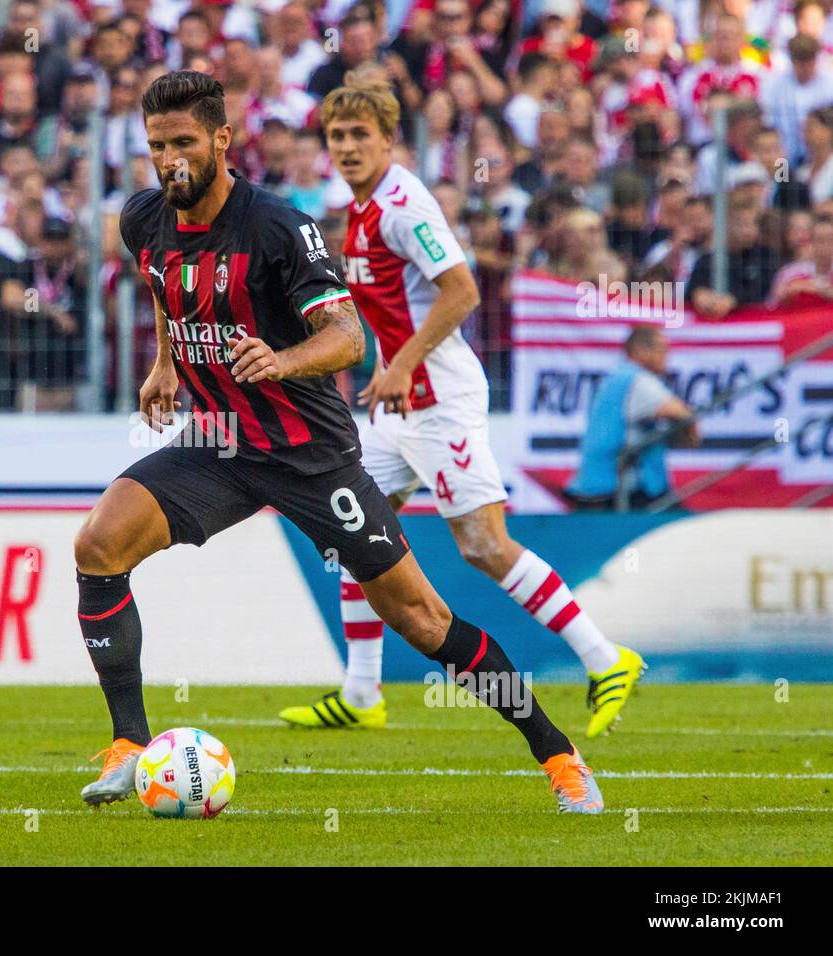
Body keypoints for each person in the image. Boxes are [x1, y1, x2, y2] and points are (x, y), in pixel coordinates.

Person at [74, 70, 603, 815]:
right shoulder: (145, 219)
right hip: (220, 443)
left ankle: (559, 755)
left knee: (424, 620)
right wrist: (166, 361)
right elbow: (168, 286)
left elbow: (349, 339)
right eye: (157, 146)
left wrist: (281, 360)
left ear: (223, 140)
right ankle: (131, 744)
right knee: (98, 546)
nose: (170, 161)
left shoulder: (279, 228)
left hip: (308, 454)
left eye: (184, 143)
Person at [277, 75, 644, 742]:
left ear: (390, 140)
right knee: (357, 531)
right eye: (338, 136)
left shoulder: (402, 207)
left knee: (484, 547)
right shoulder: (357, 210)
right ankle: (362, 692)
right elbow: (397, 304)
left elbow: (462, 291)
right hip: (399, 401)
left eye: (362, 134)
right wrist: (388, 362)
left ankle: (605, 656)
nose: (349, 146)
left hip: (439, 399)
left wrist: (406, 362)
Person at [566, 325, 700, 510]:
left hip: (595, 483)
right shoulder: (638, 380)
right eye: (662, 350)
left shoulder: (615, 377)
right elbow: (680, 413)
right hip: (621, 487)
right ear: (641, 351)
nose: (667, 357)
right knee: (680, 529)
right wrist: (691, 428)